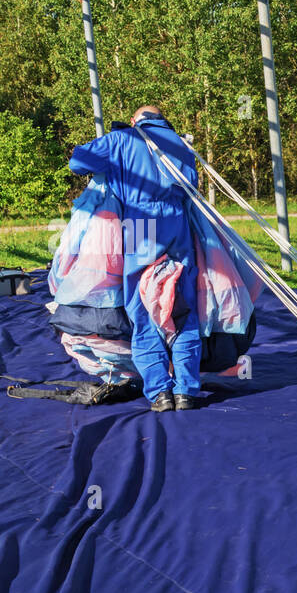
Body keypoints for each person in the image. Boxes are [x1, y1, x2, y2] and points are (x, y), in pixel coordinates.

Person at [69, 105, 202, 411]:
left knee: (142, 309)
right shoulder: (181, 143)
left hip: (140, 224)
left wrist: (112, 156)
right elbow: (191, 184)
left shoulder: (123, 139)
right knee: (181, 307)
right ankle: (186, 391)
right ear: (161, 119)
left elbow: (78, 161)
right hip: (178, 223)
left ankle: (159, 393)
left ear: (135, 120)